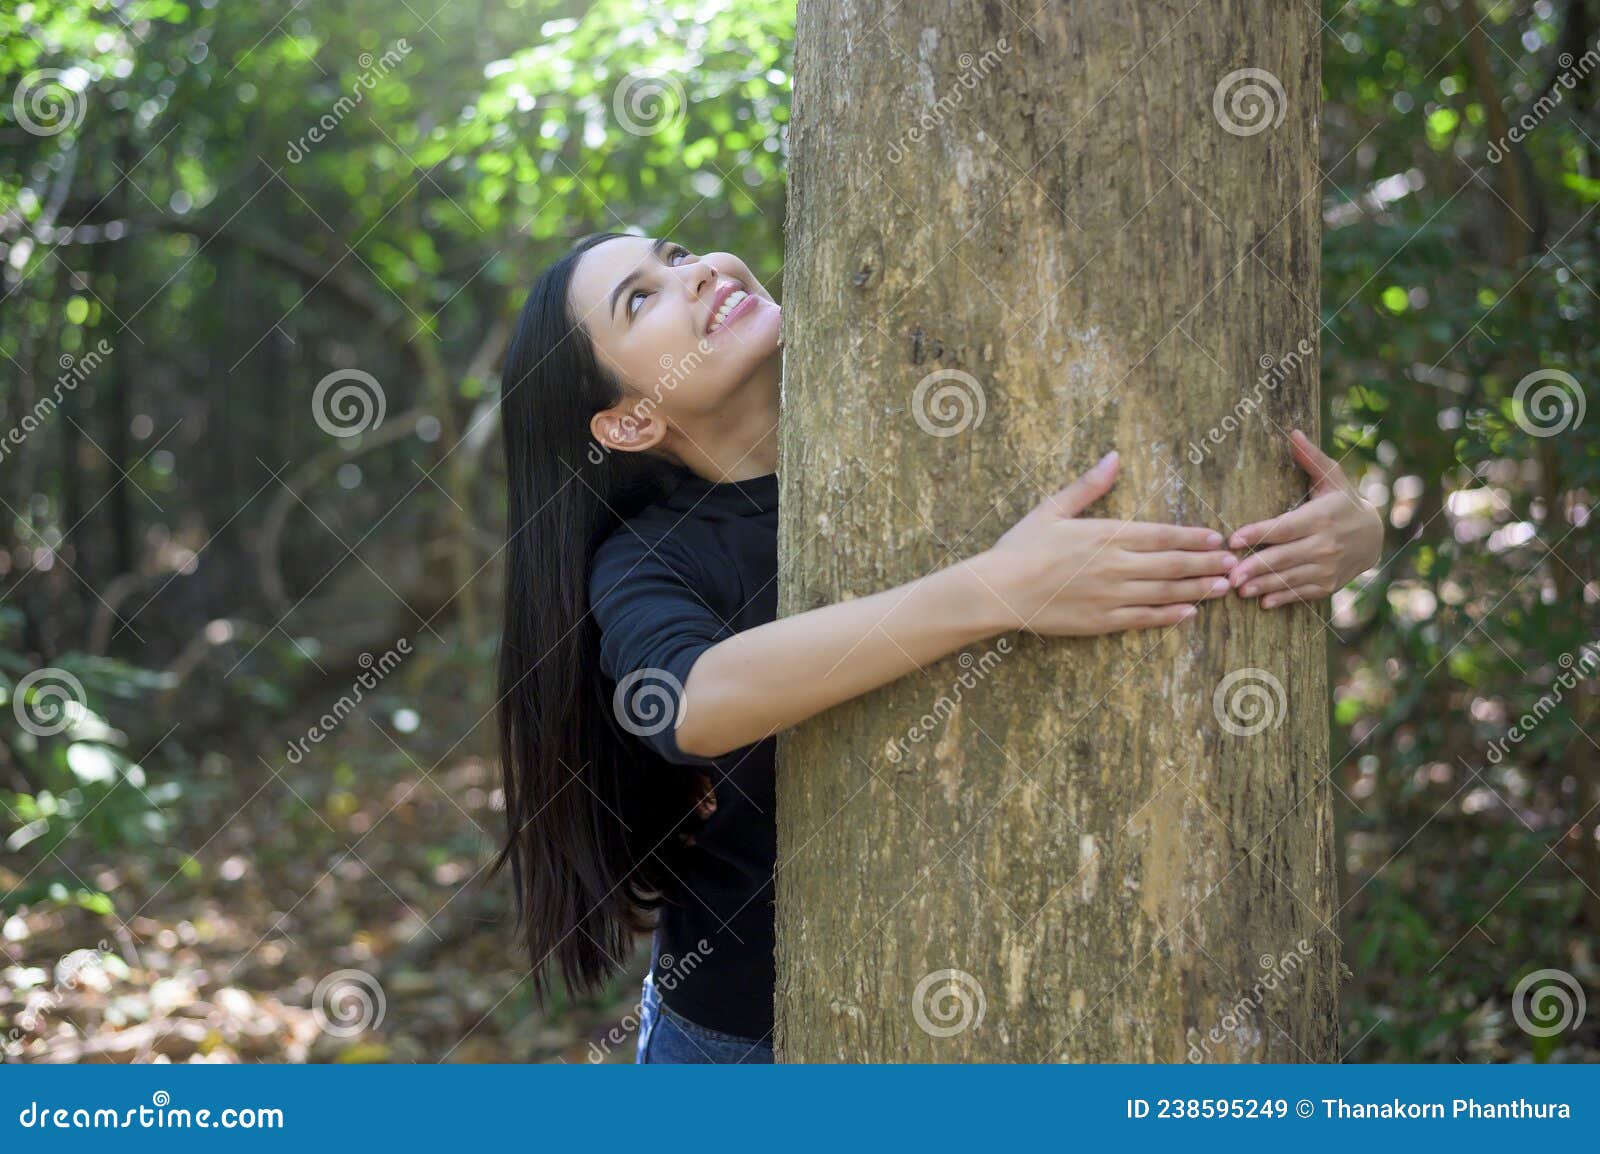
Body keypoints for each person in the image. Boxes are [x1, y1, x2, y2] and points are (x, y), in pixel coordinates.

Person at [493, 231, 1384, 1064]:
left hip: (1020, 994)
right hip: (752, 1038)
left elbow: (1178, 539)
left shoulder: (924, 423)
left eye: (677, 252)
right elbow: (692, 703)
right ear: (629, 423)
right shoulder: (649, 556)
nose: (695, 272)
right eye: (639, 299)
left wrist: (1344, 533)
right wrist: (996, 592)